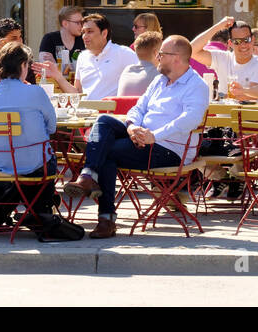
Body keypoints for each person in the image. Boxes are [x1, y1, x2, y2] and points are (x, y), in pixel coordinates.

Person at [63, 34, 209, 240]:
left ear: (176, 58)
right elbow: (138, 108)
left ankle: (105, 216)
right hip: (142, 139)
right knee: (104, 121)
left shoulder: (197, 85)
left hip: (169, 150)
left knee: (107, 153)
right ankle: (88, 178)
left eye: (162, 54)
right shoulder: (160, 80)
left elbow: (190, 120)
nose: (157, 57)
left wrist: (154, 136)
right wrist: (131, 127)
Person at [0, 41, 60, 223]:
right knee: (45, 155)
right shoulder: (35, 92)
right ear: (23, 65)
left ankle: (25, 208)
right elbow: (52, 128)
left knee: (23, 159)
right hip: (38, 167)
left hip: (4, 165)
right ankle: (40, 208)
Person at [190, 16, 258, 102]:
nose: (243, 45)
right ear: (230, 43)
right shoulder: (223, 58)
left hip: (250, 114)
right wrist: (218, 26)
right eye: (237, 41)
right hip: (223, 114)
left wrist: (243, 91)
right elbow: (191, 51)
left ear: (252, 40)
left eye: (247, 39)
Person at [74, 13, 138, 101]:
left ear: (104, 33)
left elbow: (143, 78)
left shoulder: (123, 53)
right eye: (83, 32)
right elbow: (77, 91)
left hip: (110, 113)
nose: (85, 36)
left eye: (90, 31)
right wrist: (58, 76)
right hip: (84, 112)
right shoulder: (82, 57)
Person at [117, 30, 162, 97]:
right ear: (156, 53)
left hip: (124, 107)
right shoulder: (160, 75)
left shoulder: (126, 71)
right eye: (162, 50)